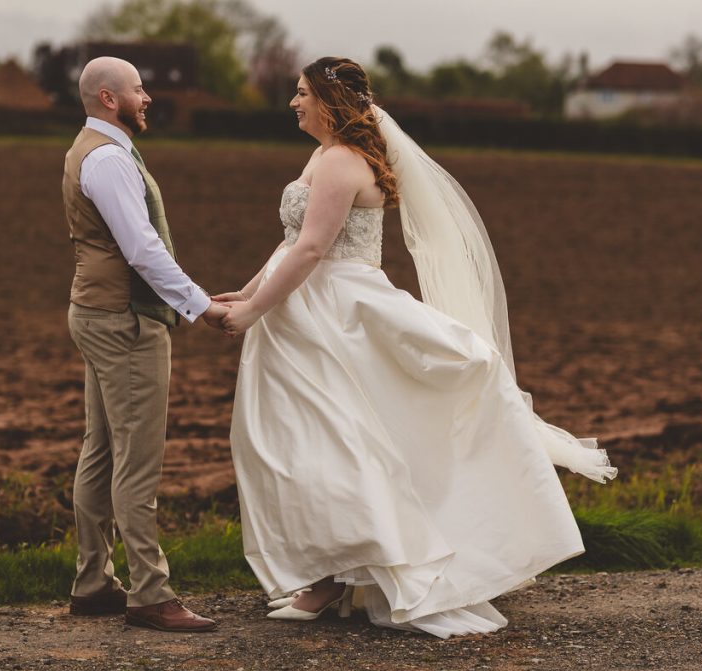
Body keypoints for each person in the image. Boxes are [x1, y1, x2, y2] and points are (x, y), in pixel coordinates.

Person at [214, 57, 617, 638]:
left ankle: (344, 577)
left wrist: (253, 311)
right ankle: (333, 577)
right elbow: (290, 244)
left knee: (341, 441)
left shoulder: (341, 161)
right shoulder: (324, 155)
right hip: (308, 308)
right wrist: (246, 293)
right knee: (311, 440)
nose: (293, 103)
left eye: (301, 93)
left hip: (338, 313)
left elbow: (312, 251)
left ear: (329, 100)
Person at [62, 56, 225, 632]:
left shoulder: (93, 147)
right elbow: (142, 248)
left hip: (98, 313)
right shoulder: (107, 157)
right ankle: (150, 594)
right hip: (125, 321)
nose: (147, 96)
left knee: (102, 449)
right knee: (136, 459)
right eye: (138, 88)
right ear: (109, 98)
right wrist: (203, 307)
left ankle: (92, 583)